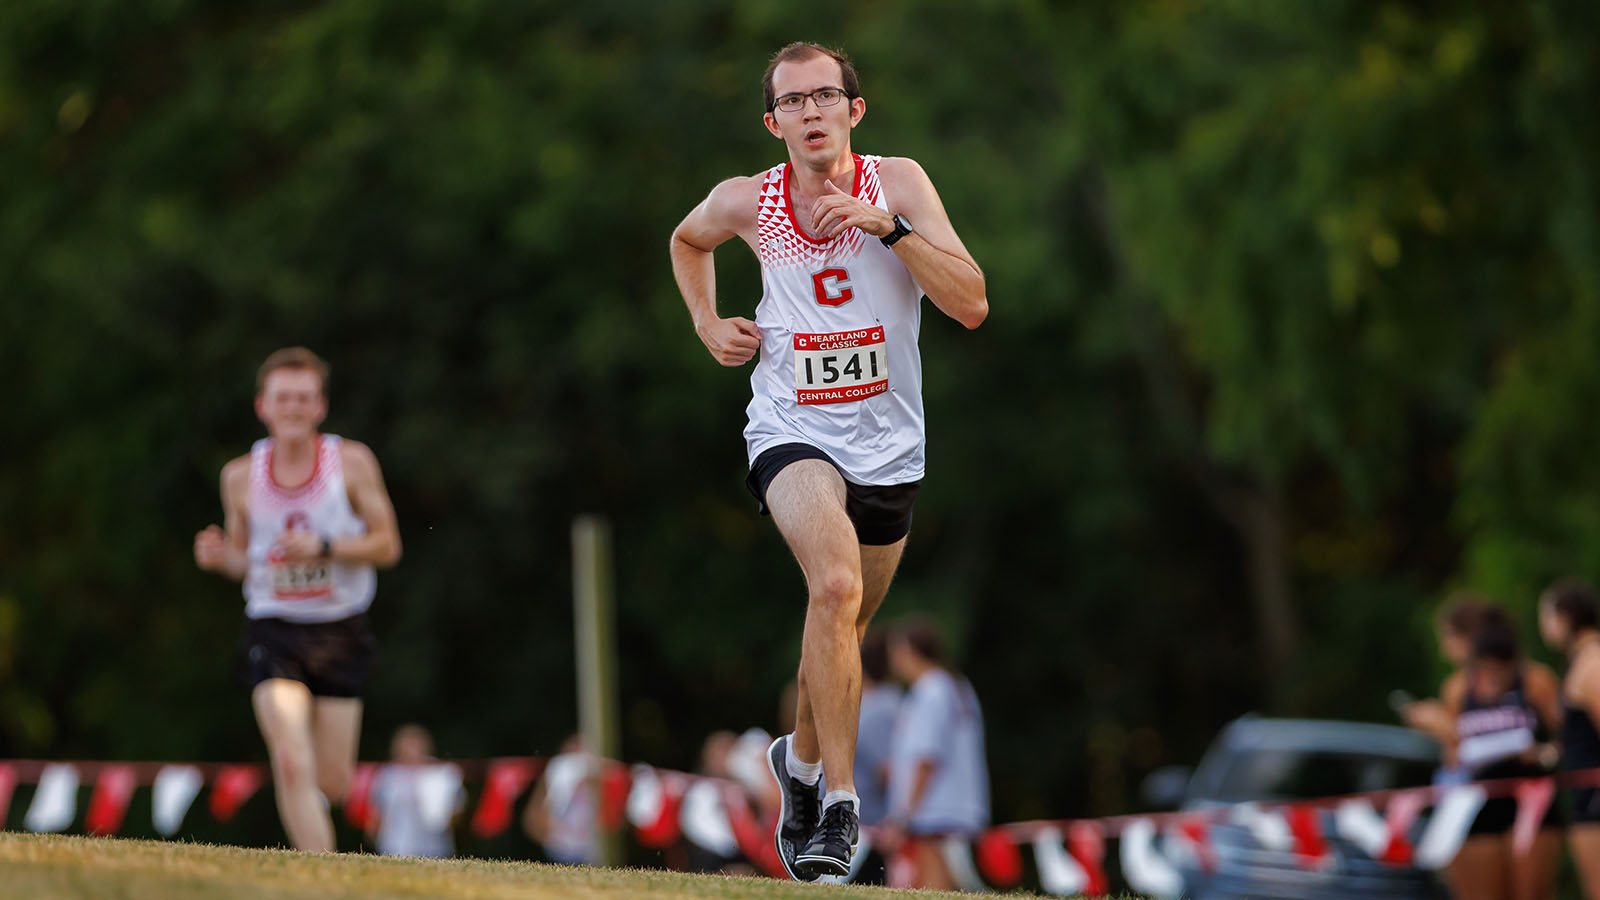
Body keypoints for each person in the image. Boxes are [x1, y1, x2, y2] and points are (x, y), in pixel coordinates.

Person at [668, 40, 987, 881]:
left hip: (891, 447)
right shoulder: (747, 201)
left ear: (855, 109)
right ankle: (838, 810)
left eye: (826, 96)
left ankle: (800, 762)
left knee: (844, 627)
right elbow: (685, 241)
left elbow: (971, 302)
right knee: (835, 587)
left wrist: (892, 229)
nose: (812, 112)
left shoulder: (900, 184)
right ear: (773, 122)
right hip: (792, 428)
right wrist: (708, 324)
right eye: (794, 102)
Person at [193, 347, 402, 852]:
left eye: (303, 399)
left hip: (339, 629)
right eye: (283, 398)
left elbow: (388, 545)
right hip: (274, 627)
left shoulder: (350, 463)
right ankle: (323, 876)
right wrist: (220, 557)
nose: (293, 408)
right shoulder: (239, 476)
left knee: (332, 782)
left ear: (320, 407)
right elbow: (248, 559)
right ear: (263, 405)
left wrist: (326, 547)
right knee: (290, 756)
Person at [1444, 605, 1563, 900]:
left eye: (1502, 668)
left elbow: (1567, 740)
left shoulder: (1536, 680)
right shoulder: (1458, 688)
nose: (1495, 678)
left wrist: (1541, 754)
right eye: (1487, 668)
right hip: (1479, 804)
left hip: (1531, 800)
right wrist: (1442, 730)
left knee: (1530, 892)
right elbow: (1453, 757)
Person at [878, 617, 989, 890]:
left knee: (935, 887)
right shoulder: (956, 686)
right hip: (958, 806)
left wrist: (903, 816)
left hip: (934, 810)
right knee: (951, 887)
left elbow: (926, 758)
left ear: (907, 649)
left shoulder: (930, 691)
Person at [1539, 577, 1600, 900]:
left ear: (1563, 616)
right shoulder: (1581, 661)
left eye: (1545, 617)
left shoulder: (1592, 663)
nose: (1544, 628)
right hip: (1585, 793)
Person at [1402, 595, 1488, 783]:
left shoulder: (1458, 686)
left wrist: (1438, 722)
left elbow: (1458, 753)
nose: (1443, 649)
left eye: (1446, 638)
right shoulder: (1455, 685)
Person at [366, 724, 465, 858]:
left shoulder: (440, 772)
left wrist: (442, 816)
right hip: (393, 848)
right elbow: (376, 812)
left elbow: (457, 811)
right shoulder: (387, 774)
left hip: (434, 850)